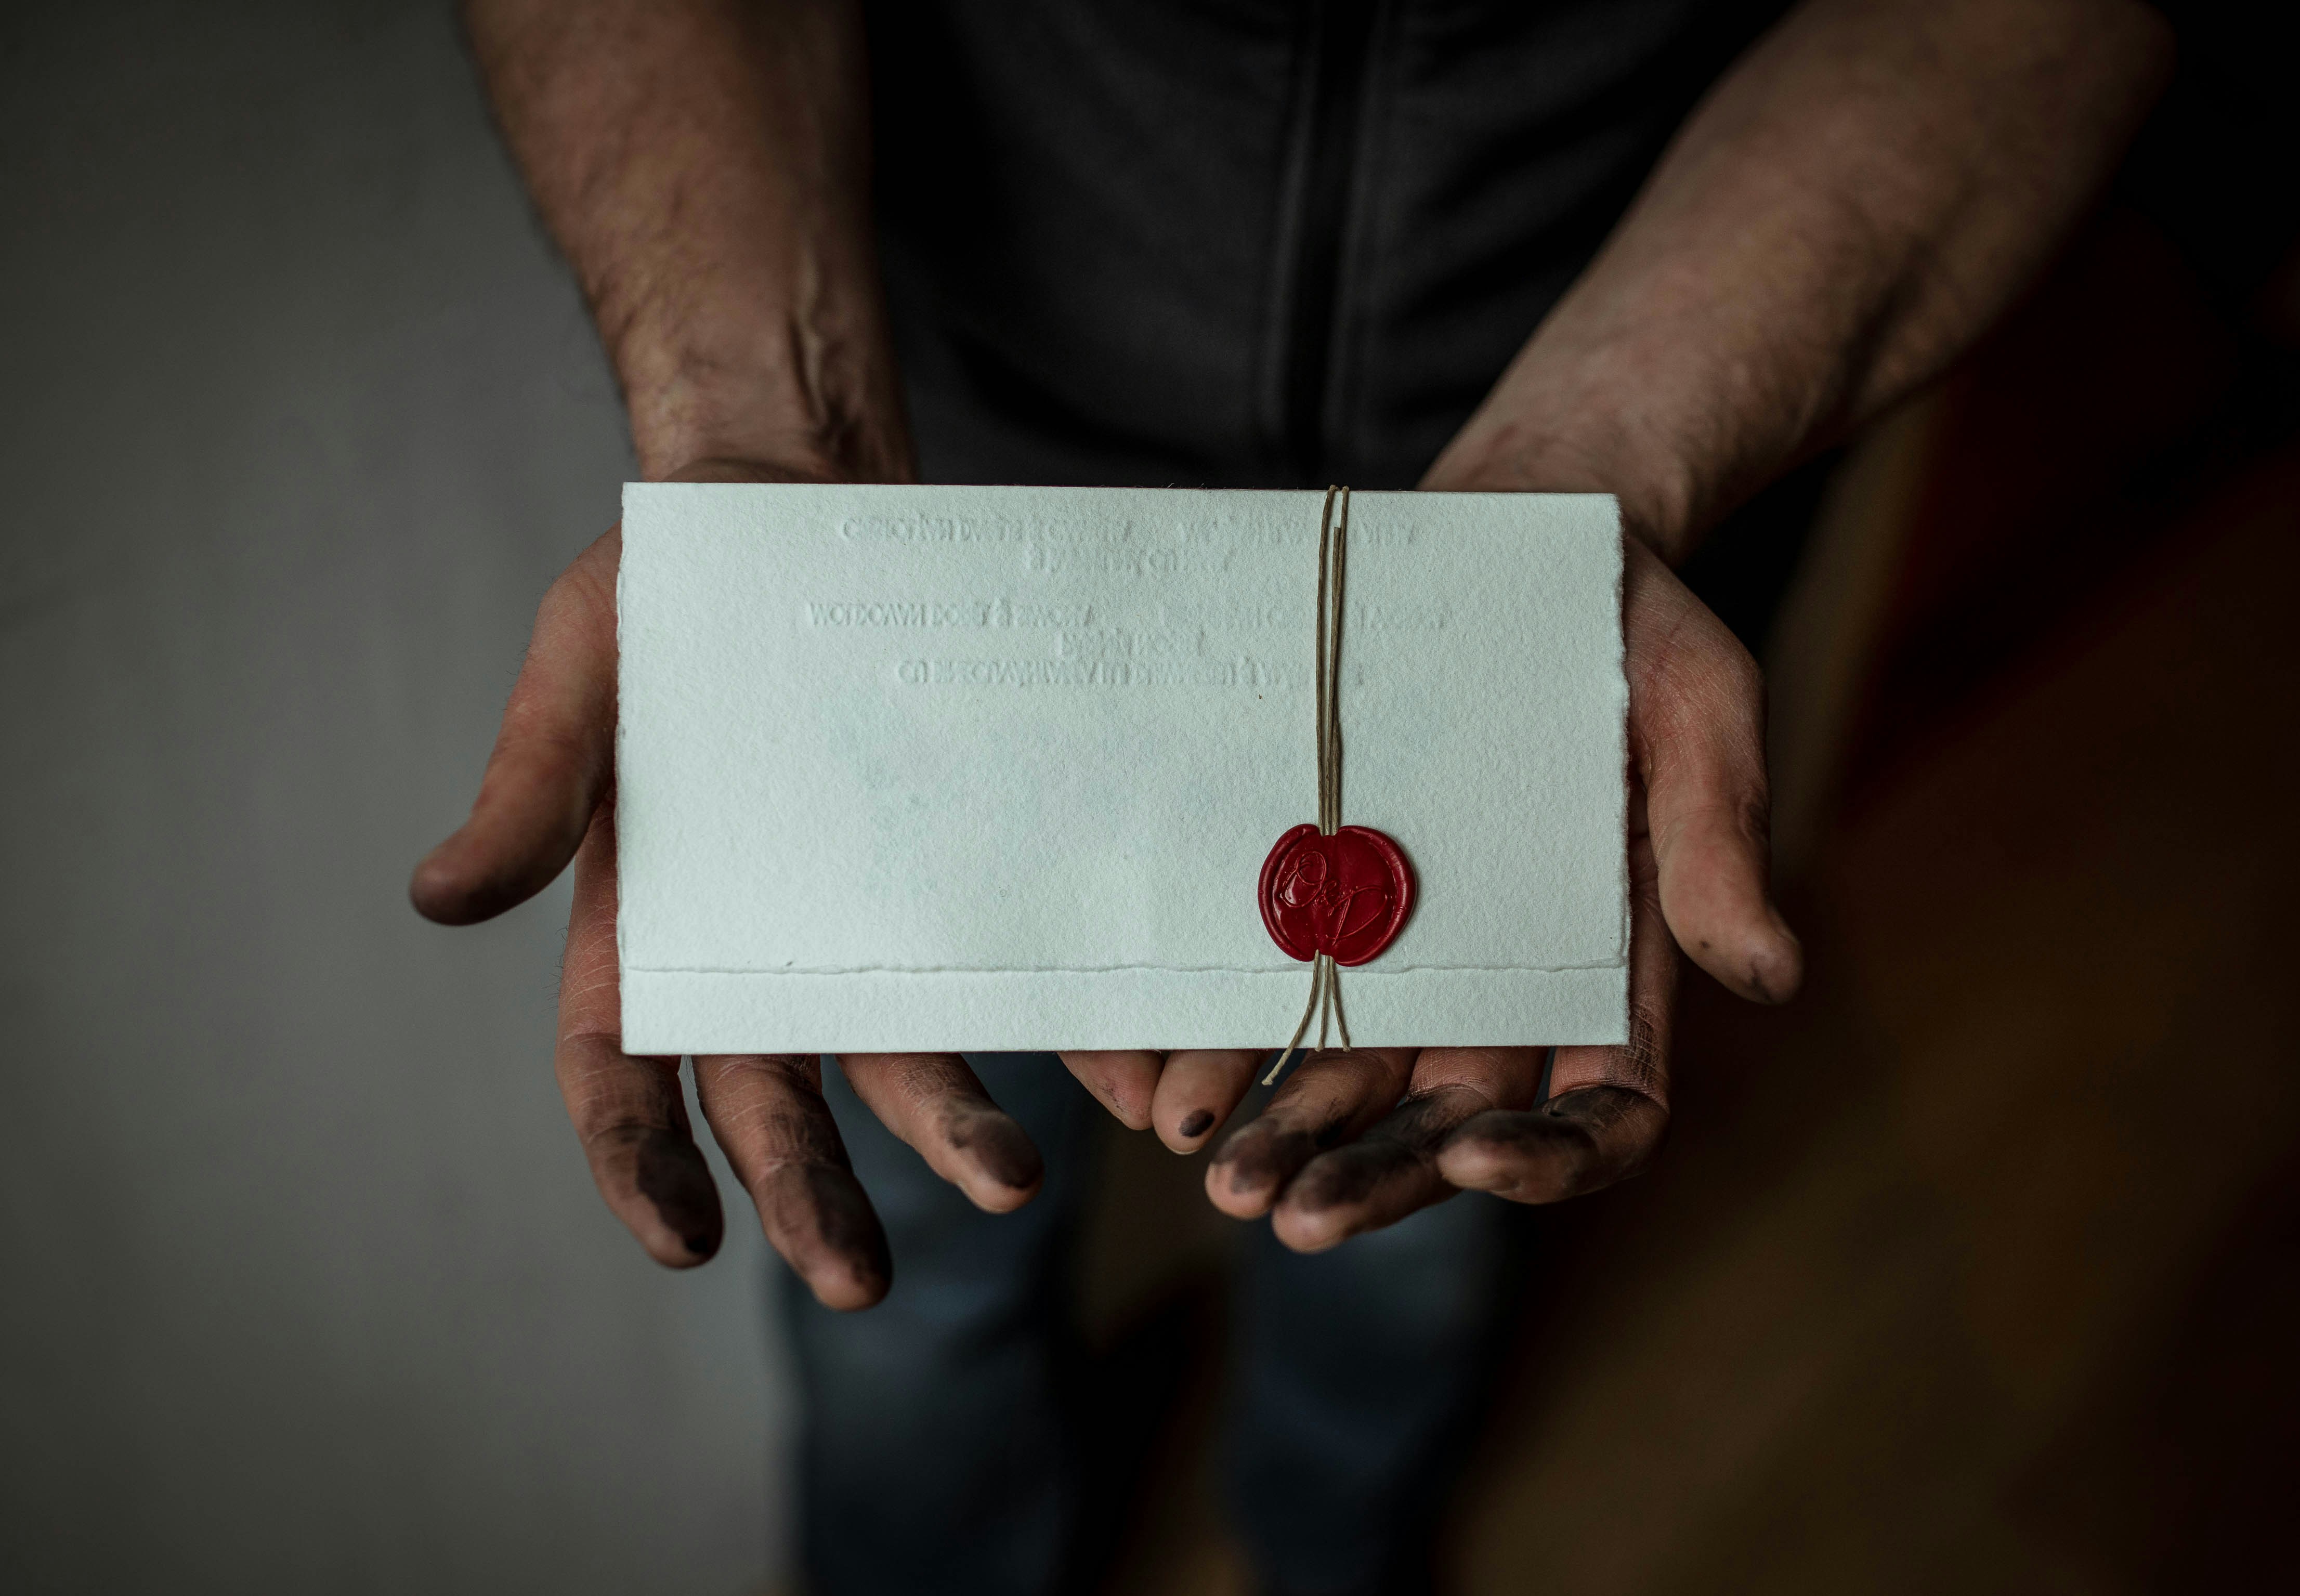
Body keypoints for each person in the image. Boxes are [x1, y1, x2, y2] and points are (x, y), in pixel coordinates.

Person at [409, 1, 2172, 1590]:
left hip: (1551, 548)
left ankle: (1340, 1549)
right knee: (898, 1241)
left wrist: (1609, 467)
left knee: (1417, 1190)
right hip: (932, 585)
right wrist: (754, 431)